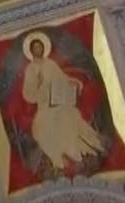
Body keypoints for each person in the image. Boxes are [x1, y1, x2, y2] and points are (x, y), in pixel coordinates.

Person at [20, 34, 106, 171]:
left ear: (43, 48)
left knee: (71, 116)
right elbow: (28, 94)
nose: (38, 49)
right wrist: (39, 85)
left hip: (59, 101)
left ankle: (81, 152)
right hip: (44, 106)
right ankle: (63, 157)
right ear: (31, 51)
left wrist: (73, 83)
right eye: (35, 48)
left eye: (39, 47)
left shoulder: (50, 64)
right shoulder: (30, 69)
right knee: (44, 126)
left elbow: (62, 79)